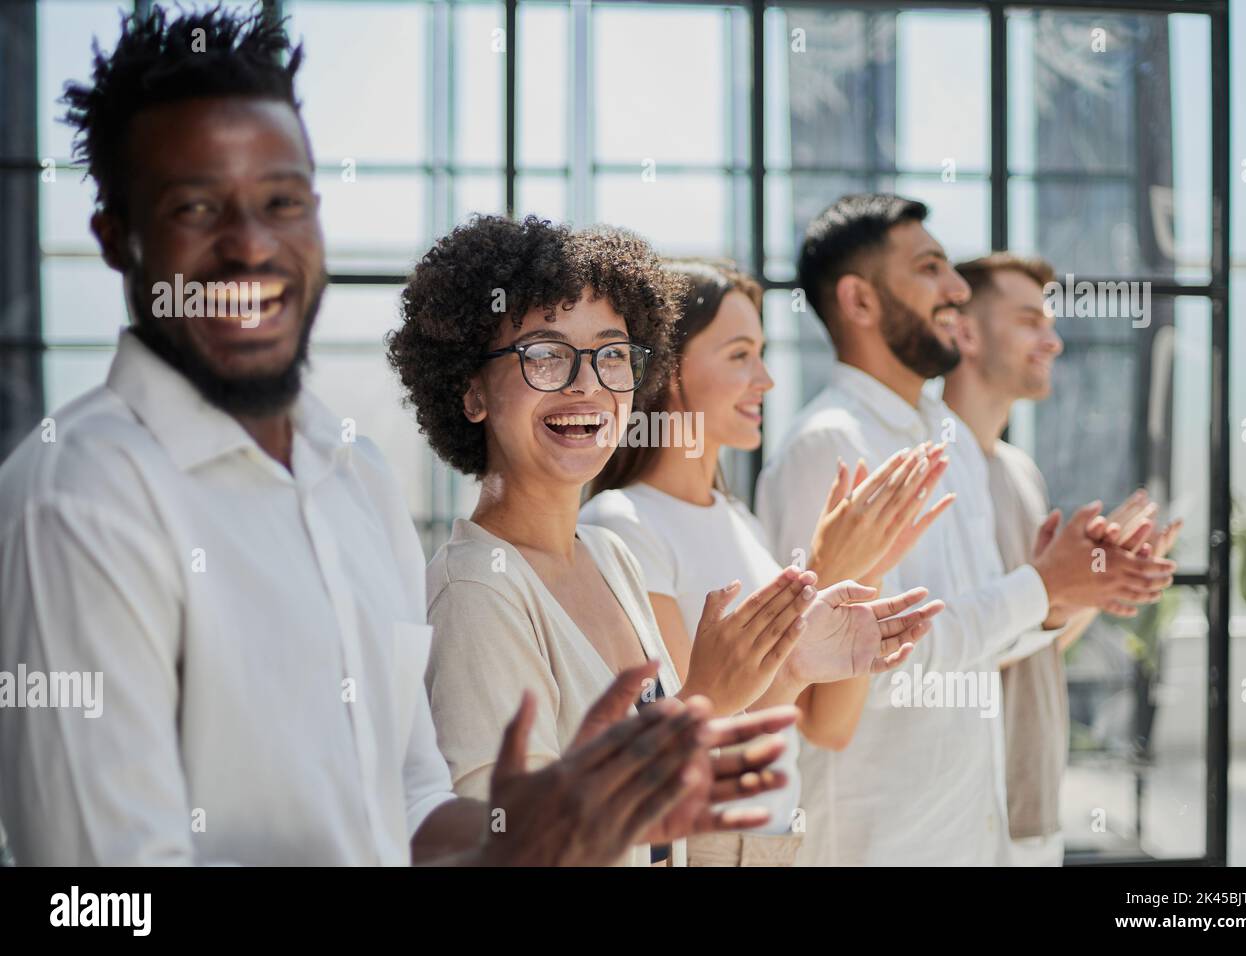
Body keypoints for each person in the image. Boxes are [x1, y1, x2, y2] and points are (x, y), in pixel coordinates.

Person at [0, 5, 792, 867]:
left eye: (282, 201)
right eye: (196, 207)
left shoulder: (353, 475)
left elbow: (410, 799)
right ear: (118, 239)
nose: (250, 246)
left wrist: (519, 836)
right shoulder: (78, 497)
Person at [387, 216, 940, 866]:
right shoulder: (478, 592)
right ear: (471, 390)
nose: (587, 383)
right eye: (544, 353)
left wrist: (784, 669)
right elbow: (513, 847)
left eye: (612, 353)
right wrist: (705, 699)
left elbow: (675, 824)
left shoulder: (607, 557)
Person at [756, 194, 1178, 866]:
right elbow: (856, 668)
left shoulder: (948, 444)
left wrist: (1065, 595)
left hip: (971, 837)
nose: (955, 289)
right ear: (860, 303)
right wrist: (1039, 586)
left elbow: (974, 642)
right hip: (877, 846)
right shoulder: (828, 448)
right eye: (930, 270)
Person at [581, 260, 947, 865]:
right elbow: (696, 737)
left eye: (763, 353)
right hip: (703, 846)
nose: (767, 380)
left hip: (772, 845)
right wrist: (827, 567)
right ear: (669, 368)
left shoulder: (741, 522)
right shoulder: (623, 524)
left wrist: (861, 571)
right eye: (740, 355)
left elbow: (821, 726)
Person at [944, 252, 1182, 865]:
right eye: (1029, 321)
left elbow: (1039, 639)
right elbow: (938, 652)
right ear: (965, 332)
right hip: (960, 811)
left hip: (1031, 799)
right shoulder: (928, 468)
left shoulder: (1020, 472)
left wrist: (1096, 586)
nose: (1051, 341)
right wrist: (1058, 591)